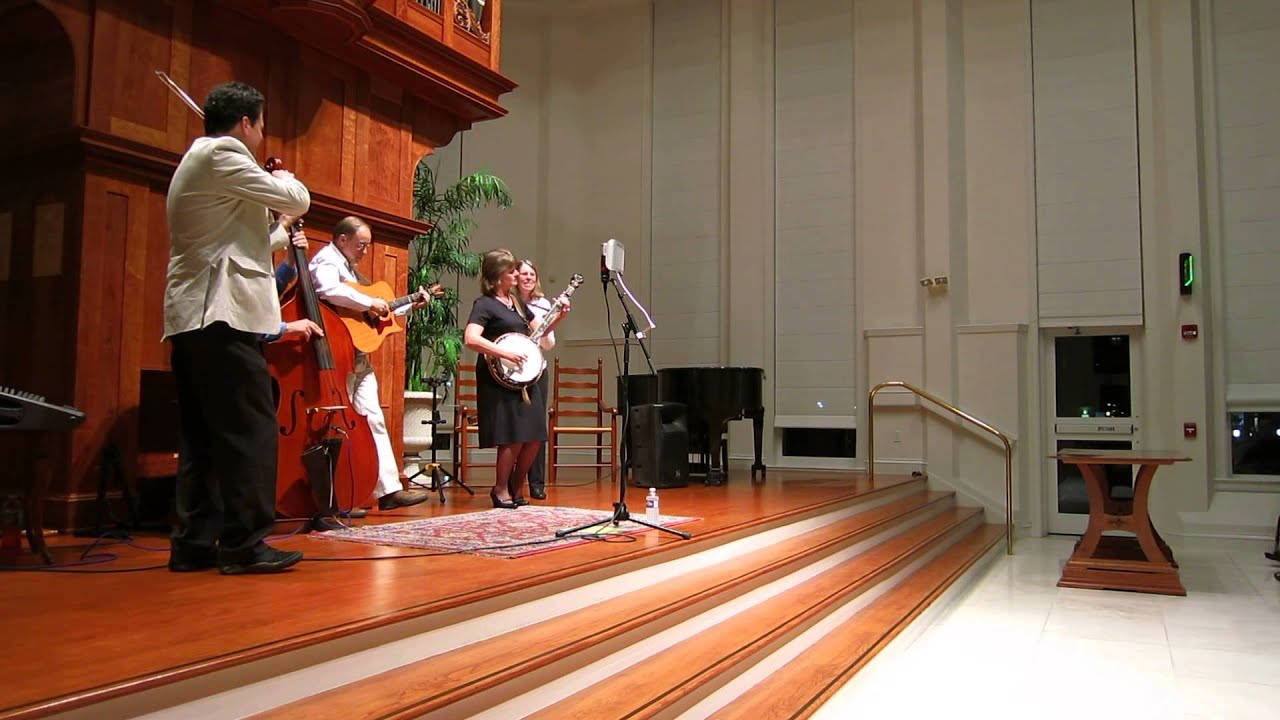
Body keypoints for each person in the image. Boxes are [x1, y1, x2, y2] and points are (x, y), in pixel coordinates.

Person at [164, 81, 321, 575]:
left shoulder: (203, 159)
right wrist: (289, 182)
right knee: (251, 430)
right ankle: (244, 543)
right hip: (223, 314)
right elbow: (298, 198)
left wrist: (278, 234)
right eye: (261, 122)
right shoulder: (226, 154)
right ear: (247, 123)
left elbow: (244, 243)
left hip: (196, 317)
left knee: (205, 437)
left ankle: (193, 543)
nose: (261, 132)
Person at [308, 216, 433, 515]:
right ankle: (339, 496)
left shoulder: (351, 271)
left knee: (372, 418)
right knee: (339, 424)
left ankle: (387, 490)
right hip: (336, 357)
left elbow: (376, 305)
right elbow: (328, 290)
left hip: (357, 356)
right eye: (361, 245)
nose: (365, 251)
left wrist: (408, 304)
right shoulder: (326, 260)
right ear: (342, 240)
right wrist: (368, 304)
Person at [463, 249, 569, 508]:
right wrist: (504, 353)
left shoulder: (517, 303)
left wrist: (561, 315)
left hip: (524, 377)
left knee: (533, 436)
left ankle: (515, 484)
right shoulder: (484, 304)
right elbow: (471, 338)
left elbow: (540, 331)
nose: (516, 275)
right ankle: (500, 489)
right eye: (511, 271)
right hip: (498, 377)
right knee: (512, 435)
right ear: (499, 276)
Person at [516, 259, 555, 500]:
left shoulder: (543, 304)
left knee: (537, 427)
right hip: (514, 371)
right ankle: (513, 483)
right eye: (524, 274)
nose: (529, 277)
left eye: (532, 273)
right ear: (515, 278)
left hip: (538, 370)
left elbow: (550, 344)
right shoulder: (508, 304)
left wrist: (542, 332)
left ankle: (537, 483)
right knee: (517, 426)